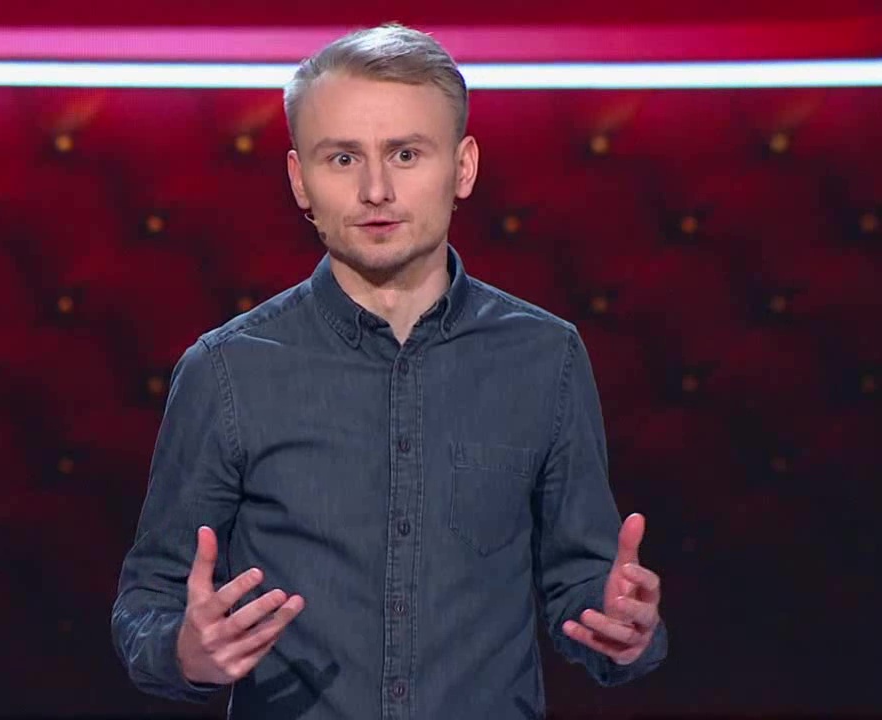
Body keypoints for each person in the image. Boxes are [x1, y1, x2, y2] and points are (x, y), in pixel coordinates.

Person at [111, 22, 667, 719]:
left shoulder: (545, 357)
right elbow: (150, 599)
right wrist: (183, 652)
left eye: (406, 154)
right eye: (343, 158)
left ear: (463, 168)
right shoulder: (226, 370)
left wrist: (622, 627)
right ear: (300, 181)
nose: (376, 189)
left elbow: (582, 583)